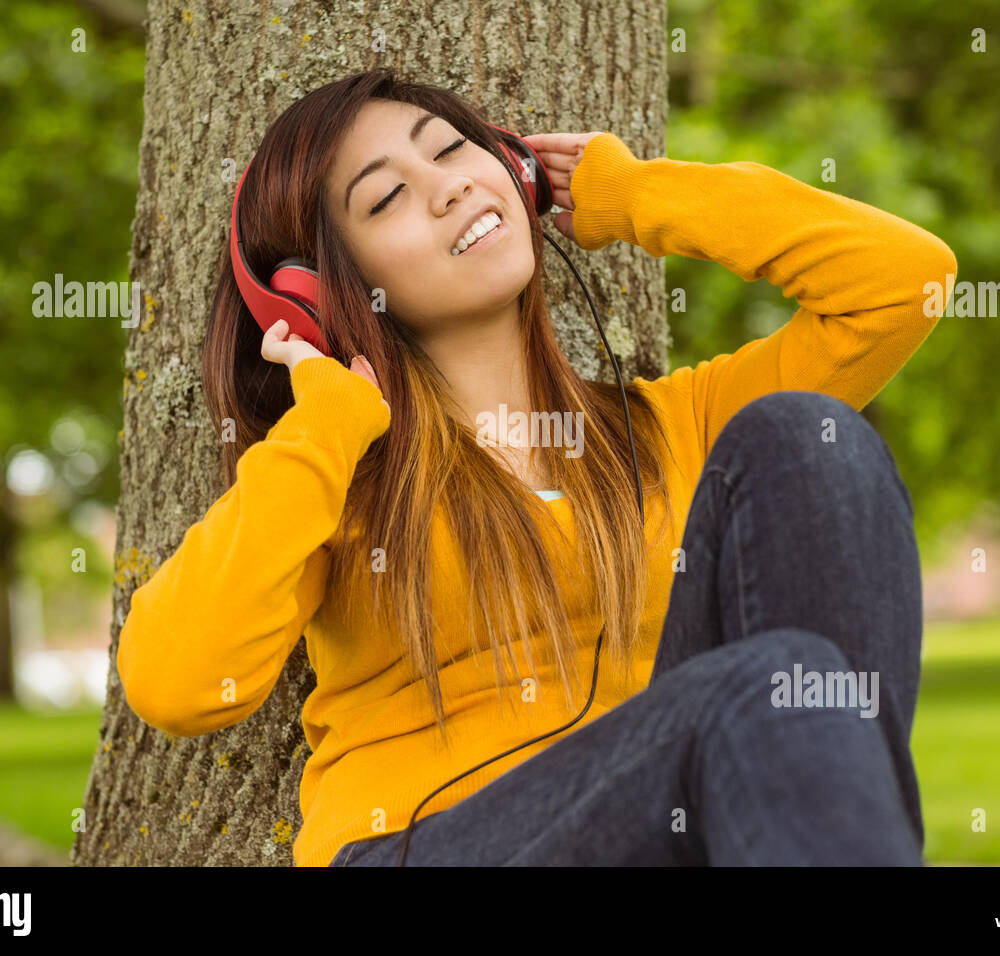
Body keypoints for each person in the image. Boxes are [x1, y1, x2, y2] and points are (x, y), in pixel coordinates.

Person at [117, 67, 957, 867]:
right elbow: (176, 682)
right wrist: (324, 428)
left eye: (450, 150)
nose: (448, 186)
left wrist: (635, 196)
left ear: (517, 175)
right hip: (426, 846)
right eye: (386, 197)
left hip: (652, 826)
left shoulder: (672, 426)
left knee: (810, 438)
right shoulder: (339, 481)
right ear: (328, 297)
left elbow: (903, 280)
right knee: (766, 684)